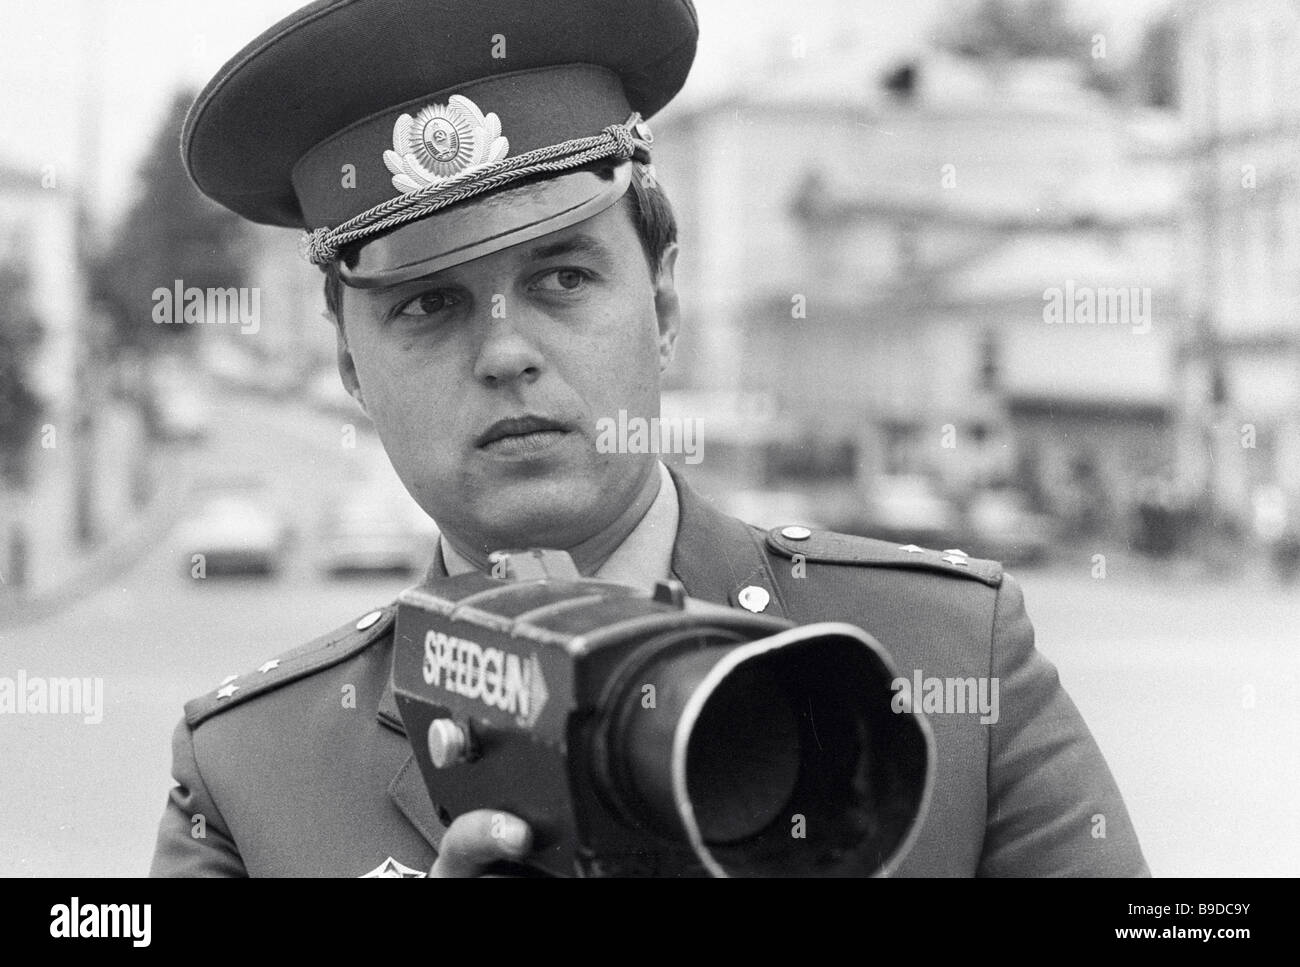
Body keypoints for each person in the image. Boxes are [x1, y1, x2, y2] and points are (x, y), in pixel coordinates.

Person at [150, 0, 1148, 878]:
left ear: (663, 300)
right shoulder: (250, 773)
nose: (506, 352)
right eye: (428, 305)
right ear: (352, 368)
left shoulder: (941, 665)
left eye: (562, 278)